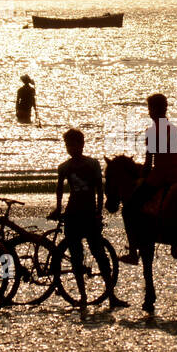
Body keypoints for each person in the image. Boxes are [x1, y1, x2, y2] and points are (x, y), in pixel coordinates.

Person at [52, 128, 128, 311]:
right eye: (68, 145)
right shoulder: (64, 167)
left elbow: (99, 190)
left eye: (74, 144)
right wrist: (58, 207)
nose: (71, 148)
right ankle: (83, 297)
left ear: (82, 144)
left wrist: (98, 210)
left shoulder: (92, 164)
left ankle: (111, 295)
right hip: (72, 214)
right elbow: (60, 190)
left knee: (100, 255)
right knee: (76, 258)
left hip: (89, 213)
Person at [119, 93, 177, 265]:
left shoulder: (153, 132)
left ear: (155, 109)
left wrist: (141, 176)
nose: (149, 112)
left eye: (150, 108)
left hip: (162, 178)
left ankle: (134, 251)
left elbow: (149, 164)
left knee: (128, 209)